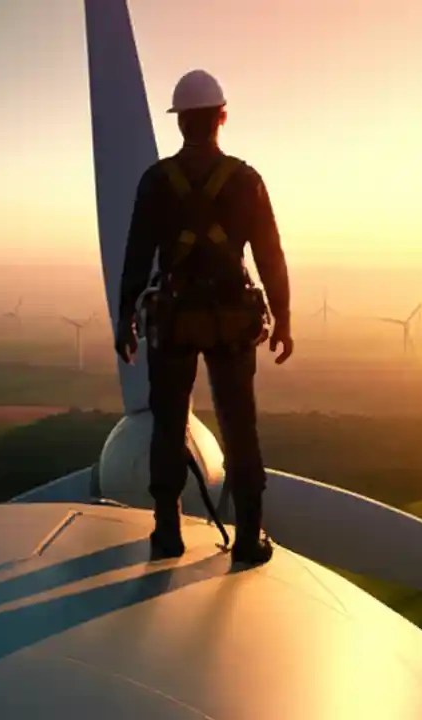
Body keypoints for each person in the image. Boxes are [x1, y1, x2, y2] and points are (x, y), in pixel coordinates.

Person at [114, 69, 293, 565]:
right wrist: (283, 316)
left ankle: (167, 531)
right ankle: (248, 537)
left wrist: (125, 318)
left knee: (169, 423)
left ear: (180, 123)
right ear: (222, 117)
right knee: (240, 425)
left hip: (172, 320)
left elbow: (135, 256)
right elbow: (270, 255)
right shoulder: (246, 180)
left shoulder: (155, 182)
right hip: (232, 321)